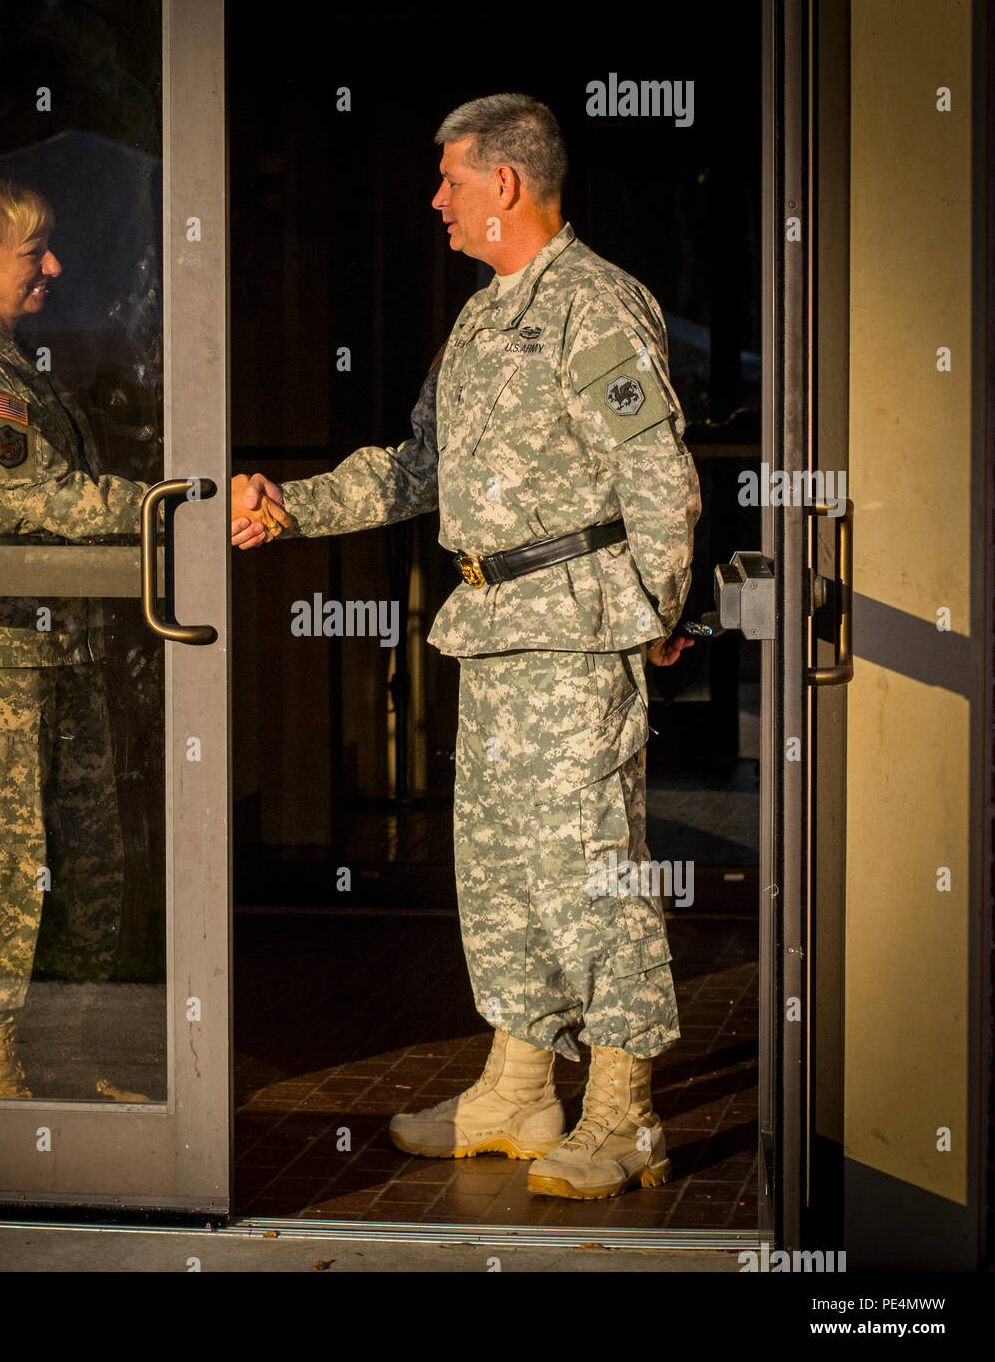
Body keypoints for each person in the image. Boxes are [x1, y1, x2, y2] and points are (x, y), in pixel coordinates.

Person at [232, 93, 700, 1200]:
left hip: (577, 630)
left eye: (448, 179)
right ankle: (518, 1088)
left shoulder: (594, 306)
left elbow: (658, 472)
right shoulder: (482, 320)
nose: (433, 200)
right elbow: (413, 468)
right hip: (491, 629)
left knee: (591, 872)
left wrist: (654, 609)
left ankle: (624, 1113)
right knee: (498, 876)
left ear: (506, 183)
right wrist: (289, 508)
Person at [0, 178, 149, 1098]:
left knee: (88, 858)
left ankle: (76, 1055)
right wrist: (172, 509)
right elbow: (37, 498)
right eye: (31, 253)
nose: (53, 267)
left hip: (52, 651)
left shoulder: (10, 362)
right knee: (0, 864)